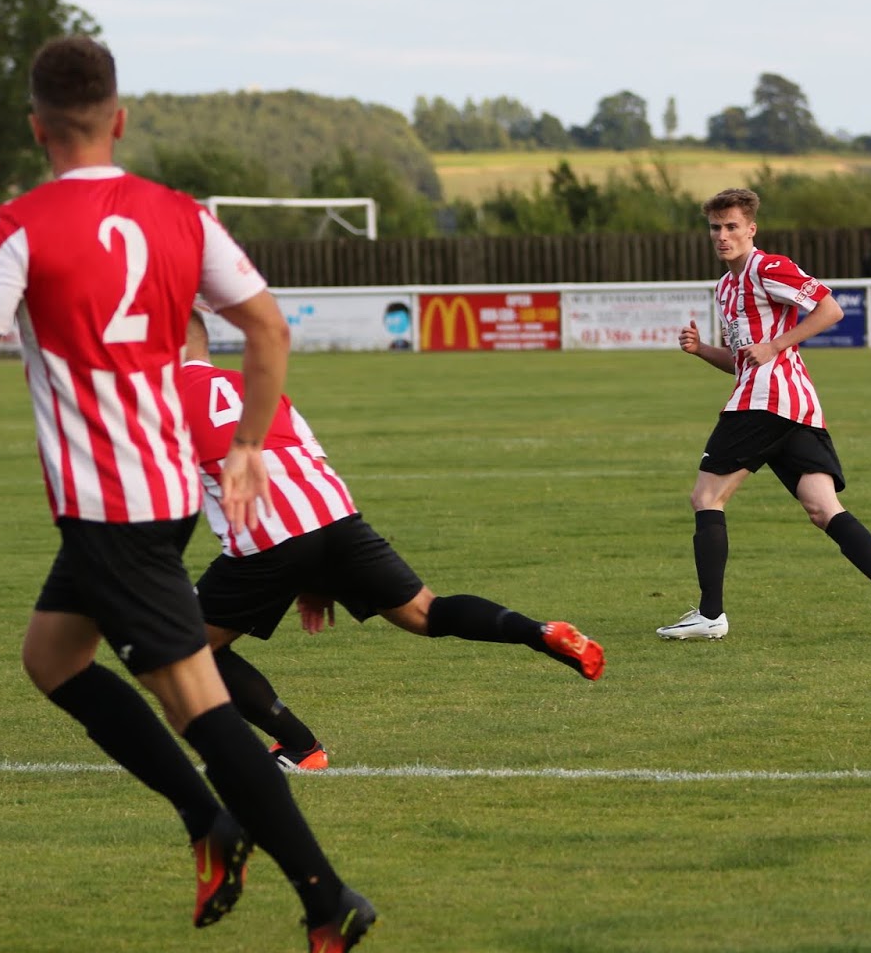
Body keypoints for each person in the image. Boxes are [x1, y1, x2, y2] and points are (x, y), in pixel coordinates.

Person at [0, 35, 374, 953]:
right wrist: (248, 443)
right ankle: (209, 822)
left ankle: (325, 896)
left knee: (201, 709)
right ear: (120, 119)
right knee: (52, 657)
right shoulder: (182, 215)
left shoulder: (19, 224)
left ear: (36, 127)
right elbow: (266, 327)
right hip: (159, 497)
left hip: (112, 511)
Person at [182, 310, 605, 770]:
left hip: (266, 534)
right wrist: (316, 571)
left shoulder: (161, 399)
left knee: (187, 644)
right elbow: (311, 460)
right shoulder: (258, 387)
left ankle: (302, 748)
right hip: (336, 515)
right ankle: (537, 632)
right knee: (426, 612)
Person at [660, 187, 871, 643]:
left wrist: (777, 344)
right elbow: (743, 361)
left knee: (706, 497)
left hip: (765, 401)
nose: (722, 236)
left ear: (751, 229)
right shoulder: (725, 288)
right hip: (790, 406)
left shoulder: (768, 267)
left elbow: (830, 309)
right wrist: (701, 349)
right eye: (715, 228)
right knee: (822, 508)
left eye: (731, 227)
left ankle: (711, 614)